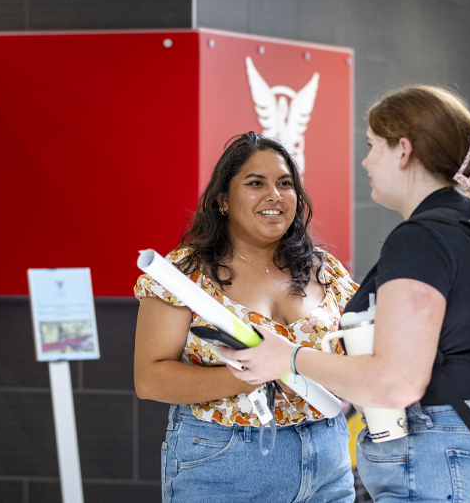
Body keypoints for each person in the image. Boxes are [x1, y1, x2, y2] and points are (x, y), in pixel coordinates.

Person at [223, 86, 470, 502]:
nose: (366, 161)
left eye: (372, 146)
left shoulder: (422, 239)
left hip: (438, 461)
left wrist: (289, 358)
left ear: (403, 151)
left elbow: (395, 382)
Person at [134, 131, 357, 502]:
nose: (274, 195)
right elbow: (150, 378)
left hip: (327, 457)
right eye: (256, 183)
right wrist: (250, 376)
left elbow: (359, 355)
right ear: (223, 199)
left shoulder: (325, 271)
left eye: (285, 184)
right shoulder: (186, 273)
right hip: (225, 460)